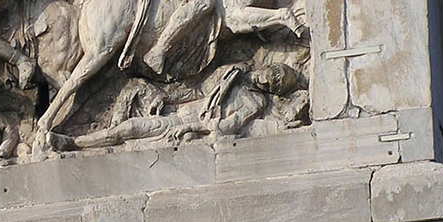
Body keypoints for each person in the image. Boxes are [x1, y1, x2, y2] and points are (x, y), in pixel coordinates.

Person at [49, 63, 301, 150]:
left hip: (182, 124)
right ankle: (72, 142)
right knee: (124, 129)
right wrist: (165, 95)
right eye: (273, 72)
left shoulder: (255, 102)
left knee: (128, 130)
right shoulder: (235, 72)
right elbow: (199, 86)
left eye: (276, 83)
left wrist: (191, 127)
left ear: (273, 90)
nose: (268, 78)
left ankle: (74, 143)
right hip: (177, 109)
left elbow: (228, 126)